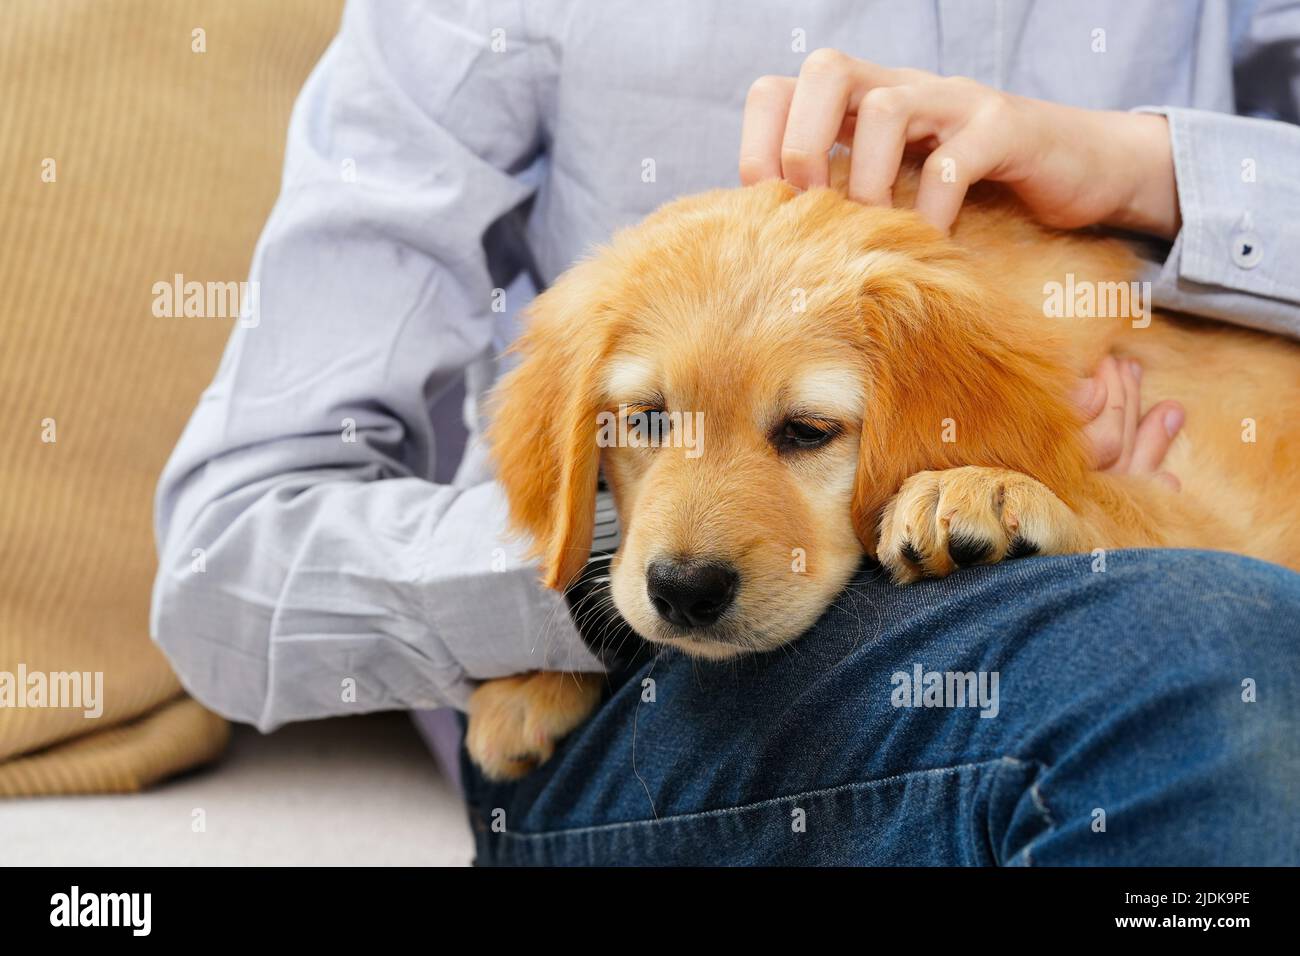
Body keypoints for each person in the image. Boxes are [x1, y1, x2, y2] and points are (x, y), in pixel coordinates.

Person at [152, 1, 1300, 864]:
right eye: (646, 418)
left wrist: (1156, 170)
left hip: (1170, 607)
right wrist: (583, 578)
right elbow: (231, 555)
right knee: (1203, 659)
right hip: (650, 714)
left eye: (803, 427)